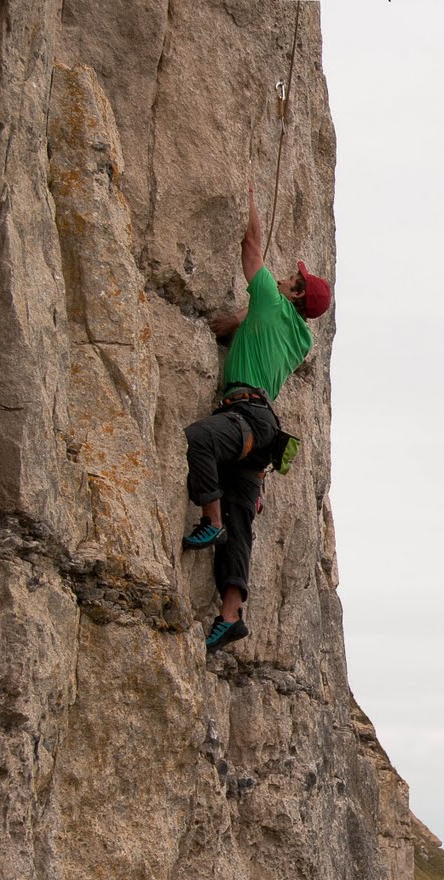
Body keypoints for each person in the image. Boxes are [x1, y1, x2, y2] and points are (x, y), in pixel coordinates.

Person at [182, 183, 331, 651]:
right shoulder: (300, 340)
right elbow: (247, 324)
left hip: (245, 414)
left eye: (294, 278)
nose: (287, 275)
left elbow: (251, 244)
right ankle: (231, 614)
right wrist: (229, 324)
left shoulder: (269, 299)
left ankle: (210, 519)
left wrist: (247, 193)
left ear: (294, 292)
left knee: (200, 439)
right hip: (265, 432)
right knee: (243, 517)